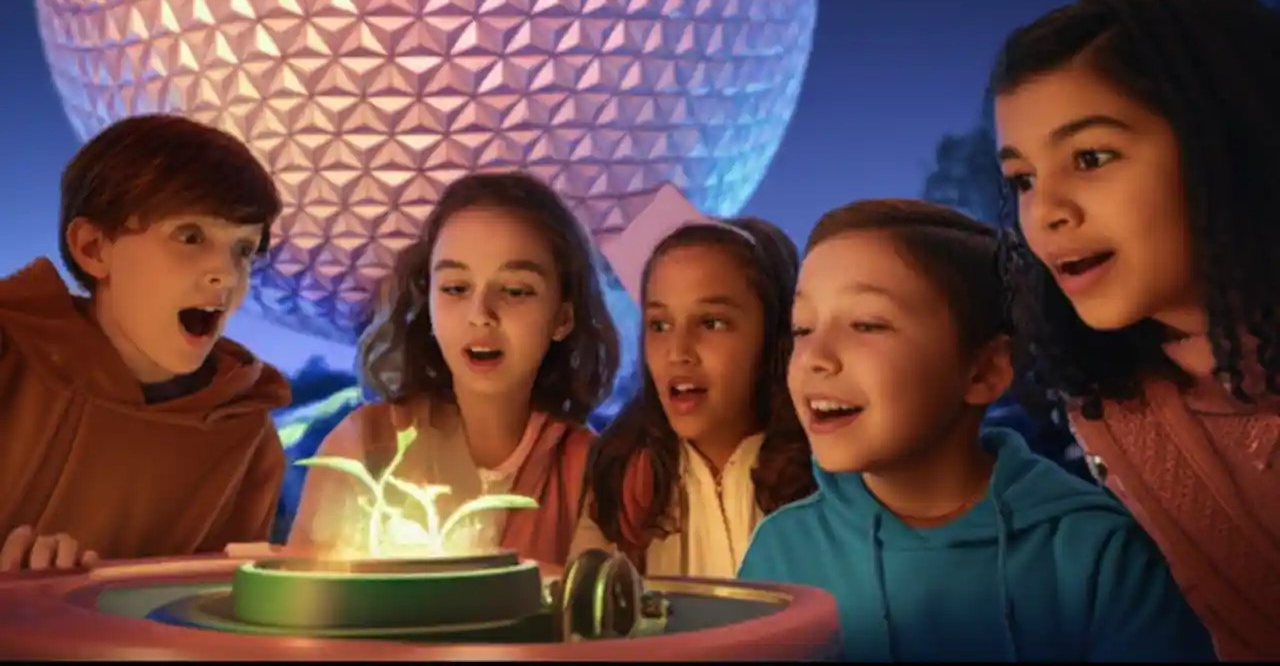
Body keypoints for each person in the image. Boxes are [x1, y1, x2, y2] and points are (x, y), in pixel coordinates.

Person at [739, 199, 1215, 662]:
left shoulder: (1093, 553)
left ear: (985, 372)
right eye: (802, 329)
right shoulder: (782, 549)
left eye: (867, 324)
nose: (815, 357)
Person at [992, 0, 1280, 659]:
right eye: (1023, 180)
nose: (1048, 210)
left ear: (1224, 145)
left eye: (1091, 158)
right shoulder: (1113, 408)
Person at [0, 114, 290, 571]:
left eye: (244, 249)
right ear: (94, 248)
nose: (227, 275)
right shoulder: (10, 359)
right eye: (190, 236)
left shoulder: (246, 437)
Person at [289, 172, 619, 566]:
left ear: (563, 316)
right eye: (455, 289)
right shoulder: (364, 447)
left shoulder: (589, 471)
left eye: (515, 291)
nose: (481, 316)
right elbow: (302, 602)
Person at [573, 218, 814, 577]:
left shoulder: (825, 481)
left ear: (775, 333)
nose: (678, 352)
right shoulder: (622, 482)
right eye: (660, 325)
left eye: (712, 323)